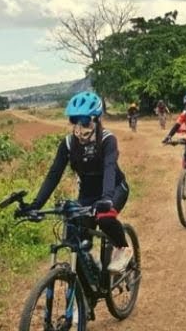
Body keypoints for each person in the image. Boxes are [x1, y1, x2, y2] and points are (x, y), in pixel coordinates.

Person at [18, 92, 134, 273]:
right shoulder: (68, 144)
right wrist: (36, 205)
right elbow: (54, 174)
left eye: (85, 121)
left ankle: (123, 248)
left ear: (96, 119)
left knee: (105, 218)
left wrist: (107, 198)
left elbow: (110, 168)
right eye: (74, 121)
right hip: (87, 196)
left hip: (114, 189)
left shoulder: (107, 139)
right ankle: (89, 278)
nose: (79, 127)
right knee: (74, 235)